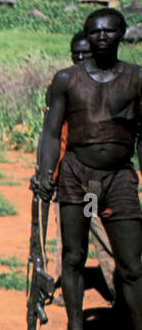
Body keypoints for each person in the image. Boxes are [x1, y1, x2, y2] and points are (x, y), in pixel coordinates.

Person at [31, 9, 142, 330]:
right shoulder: (66, 79)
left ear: (122, 34)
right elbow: (50, 133)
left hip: (119, 177)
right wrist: (45, 173)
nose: (102, 37)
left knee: (132, 265)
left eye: (110, 31)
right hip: (77, 175)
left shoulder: (137, 78)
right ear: (86, 36)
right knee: (73, 258)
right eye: (95, 32)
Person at [53, 32, 117, 302]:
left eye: (85, 53)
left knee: (100, 232)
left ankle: (120, 289)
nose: (79, 58)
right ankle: (63, 288)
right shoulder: (65, 87)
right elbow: (56, 136)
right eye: (75, 53)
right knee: (66, 238)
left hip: (92, 181)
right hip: (66, 177)